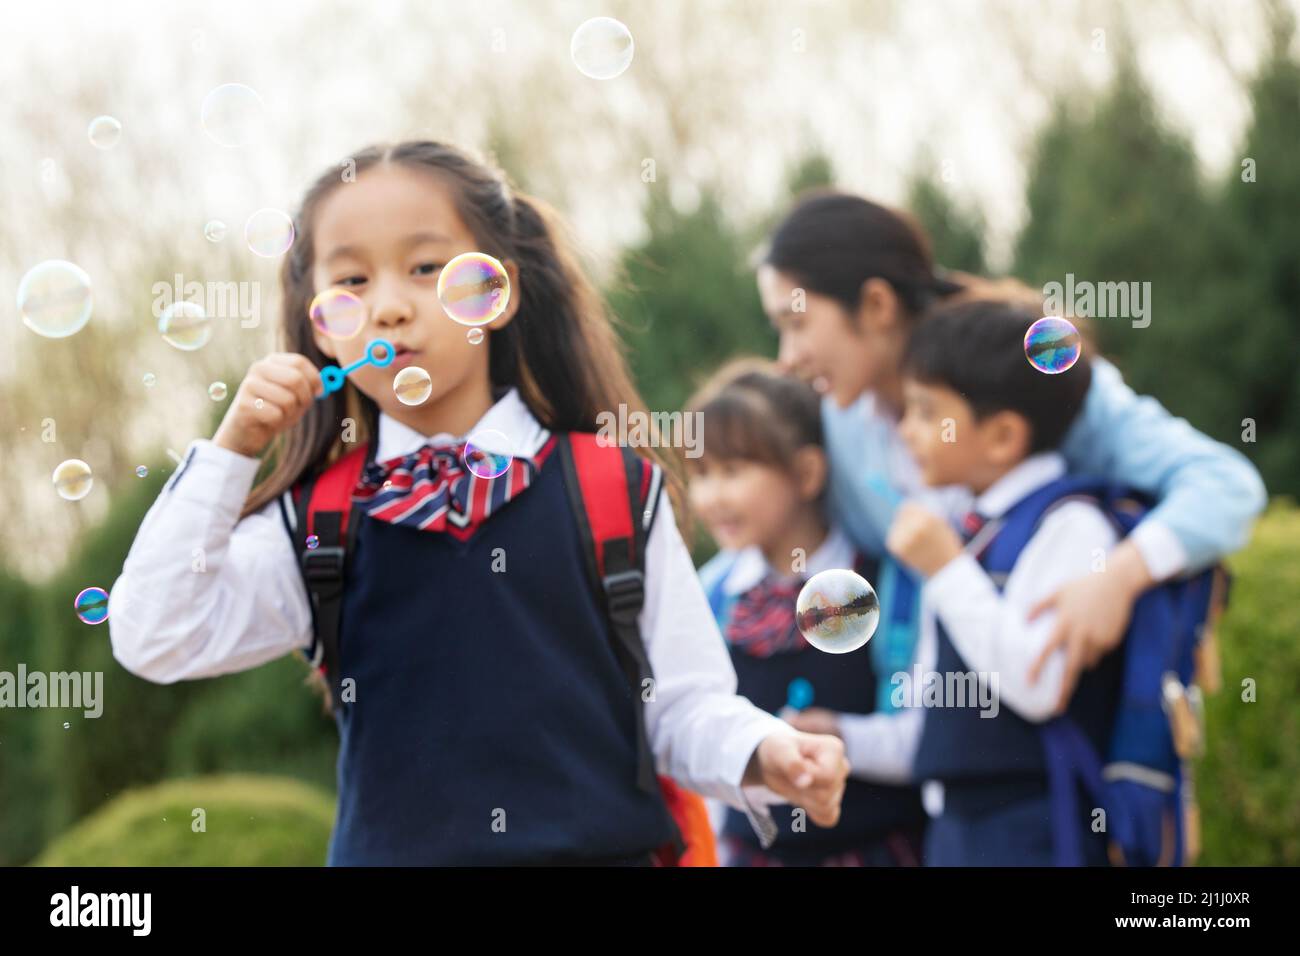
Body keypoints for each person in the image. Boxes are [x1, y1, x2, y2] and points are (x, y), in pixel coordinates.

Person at [108, 140, 848, 866]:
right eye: (354, 282)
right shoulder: (319, 520)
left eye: (426, 268)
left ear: (502, 293)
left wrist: (765, 751)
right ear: (318, 326)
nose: (391, 307)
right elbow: (154, 635)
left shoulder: (610, 487)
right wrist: (233, 450)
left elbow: (681, 707)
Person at [760, 190, 1266, 712]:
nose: (786, 359)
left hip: (1051, 750)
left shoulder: (1033, 372)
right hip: (924, 749)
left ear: (876, 305)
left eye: (795, 323)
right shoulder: (840, 422)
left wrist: (1118, 577)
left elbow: (1225, 486)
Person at [885, 297, 1115, 864]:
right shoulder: (969, 529)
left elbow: (1038, 685)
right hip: (956, 830)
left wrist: (946, 569)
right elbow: (926, 711)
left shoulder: (1070, 524)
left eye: (924, 411)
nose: (906, 430)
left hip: (1031, 830)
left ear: (1002, 437)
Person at [687, 359, 926, 866]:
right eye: (701, 474)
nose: (712, 497)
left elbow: (926, 736)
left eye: (733, 471)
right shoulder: (710, 596)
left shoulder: (892, 584)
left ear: (807, 472)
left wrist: (842, 737)